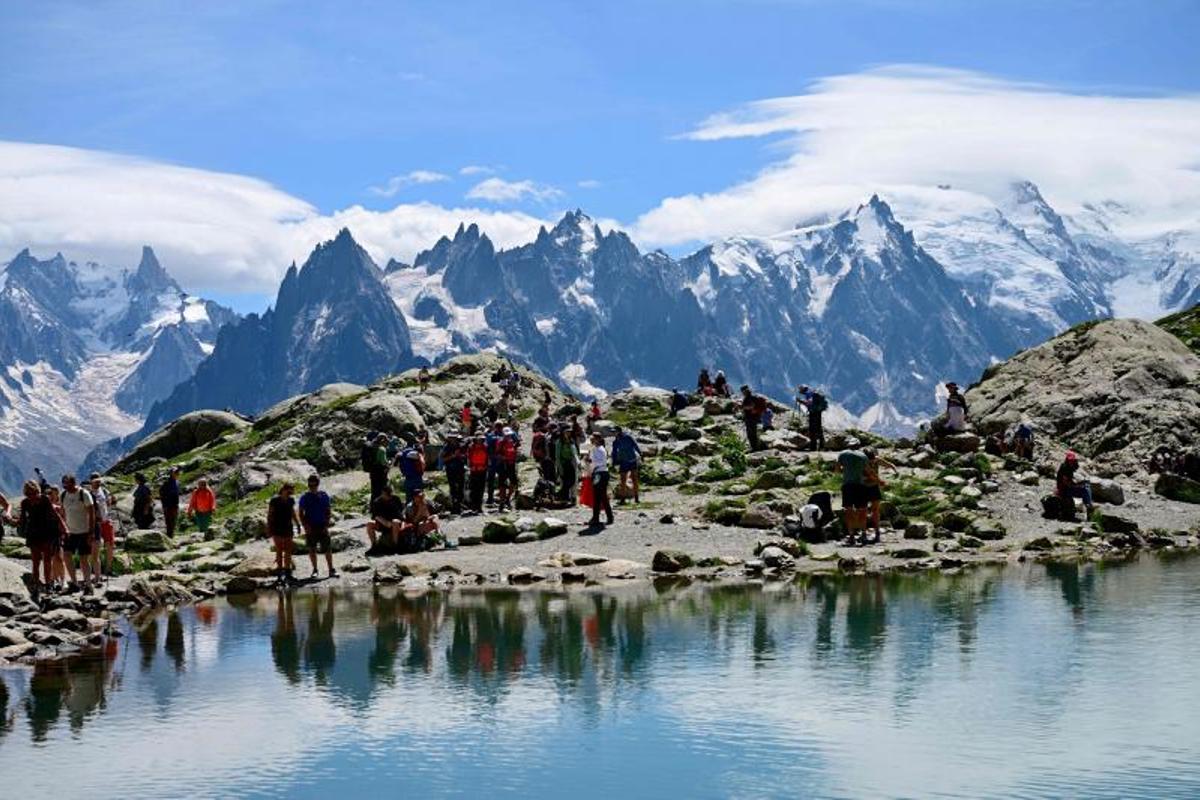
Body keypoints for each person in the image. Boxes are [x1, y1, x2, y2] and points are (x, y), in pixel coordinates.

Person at [11, 481, 61, 594]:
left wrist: (63, 527)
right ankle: (36, 585)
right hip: (33, 533)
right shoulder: (25, 503)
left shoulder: (45, 499)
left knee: (47, 560)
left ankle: (48, 584)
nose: (31, 496)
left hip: (46, 532)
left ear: (37, 491)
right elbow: (23, 519)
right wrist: (13, 521)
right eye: (28, 494)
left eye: (33, 493)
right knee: (35, 561)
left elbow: (54, 514)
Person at [60, 474, 96, 590]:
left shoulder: (83, 494)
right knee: (66, 555)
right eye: (64, 484)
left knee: (83, 558)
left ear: (73, 483)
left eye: (68, 484)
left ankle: (88, 584)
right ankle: (74, 582)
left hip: (84, 531)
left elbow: (92, 514)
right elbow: (63, 513)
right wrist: (63, 528)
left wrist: (91, 532)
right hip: (69, 532)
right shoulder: (63, 495)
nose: (66, 487)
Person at [298, 475, 336, 578]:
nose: (312, 487)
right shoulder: (304, 497)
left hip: (322, 524)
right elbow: (301, 513)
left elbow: (328, 510)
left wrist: (326, 524)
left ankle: (331, 569)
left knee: (327, 548)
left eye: (314, 485)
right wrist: (305, 526)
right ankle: (315, 570)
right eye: (310, 485)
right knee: (312, 548)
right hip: (310, 525)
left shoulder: (324, 496)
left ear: (318, 484)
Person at [266, 483, 301, 583]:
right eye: (289, 491)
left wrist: (298, 524)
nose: (290, 493)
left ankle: (288, 573)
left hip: (288, 528)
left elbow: (292, 512)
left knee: (288, 551)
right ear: (284, 490)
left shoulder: (290, 500)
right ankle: (280, 575)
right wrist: (269, 528)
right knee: (279, 550)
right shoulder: (274, 501)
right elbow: (270, 515)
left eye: (292, 491)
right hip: (277, 528)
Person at [836, 448, 870, 546]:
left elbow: (837, 470)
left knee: (849, 511)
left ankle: (851, 536)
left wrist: (846, 470)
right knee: (863, 511)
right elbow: (867, 471)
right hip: (860, 486)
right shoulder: (863, 456)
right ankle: (863, 534)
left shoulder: (843, 454)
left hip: (847, 486)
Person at [863, 449, 895, 543]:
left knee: (875, 510)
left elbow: (888, 464)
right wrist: (880, 482)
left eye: (872, 459)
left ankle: (877, 532)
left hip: (874, 487)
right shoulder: (862, 462)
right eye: (870, 460)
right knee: (863, 511)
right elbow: (869, 475)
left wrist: (893, 469)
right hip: (864, 487)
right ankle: (864, 533)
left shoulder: (877, 459)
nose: (872, 462)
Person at [89, 474, 115, 577]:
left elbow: (108, 504)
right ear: (91, 482)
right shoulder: (88, 493)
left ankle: (108, 569)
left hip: (106, 521)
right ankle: (96, 570)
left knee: (110, 545)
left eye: (98, 480)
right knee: (96, 548)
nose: (98, 482)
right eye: (95, 481)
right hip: (95, 523)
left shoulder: (104, 491)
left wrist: (112, 501)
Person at [1056, 451, 1094, 519]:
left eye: (1072, 460)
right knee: (1085, 490)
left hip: (1067, 488)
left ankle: (1088, 505)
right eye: (1070, 461)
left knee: (1086, 486)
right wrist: (1078, 485)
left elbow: (1070, 481)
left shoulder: (1071, 467)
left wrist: (1079, 483)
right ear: (1067, 460)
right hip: (1064, 491)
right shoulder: (1064, 468)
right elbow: (1067, 484)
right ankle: (1089, 506)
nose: (1071, 462)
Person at [587, 433, 614, 527]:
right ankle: (596, 517)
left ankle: (609, 517)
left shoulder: (600, 450)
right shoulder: (595, 449)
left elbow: (602, 462)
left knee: (602, 496)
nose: (591, 440)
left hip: (600, 473)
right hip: (597, 473)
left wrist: (591, 462)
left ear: (597, 439)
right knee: (597, 497)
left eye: (593, 438)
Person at [366, 484, 404, 549]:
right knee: (369, 524)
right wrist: (384, 522)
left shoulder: (396, 499)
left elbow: (399, 514)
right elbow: (375, 515)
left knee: (395, 522)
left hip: (394, 522)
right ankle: (374, 545)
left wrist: (391, 522)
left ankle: (395, 545)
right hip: (382, 523)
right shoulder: (377, 502)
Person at [611, 426, 641, 505]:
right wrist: (614, 462)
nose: (614, 433)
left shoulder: (628, 437)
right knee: (623, 480)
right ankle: (623, 498)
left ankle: (636, 497)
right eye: (613, 432)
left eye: (615, 431)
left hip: (632, 460)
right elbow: (614, 452)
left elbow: (635, 445)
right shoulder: (615, 442)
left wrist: (640, 453)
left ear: (619, 431)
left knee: (634, 479)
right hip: (623, 461)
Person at [797, 385, 827, 452]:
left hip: (813, 413)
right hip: (818, 412)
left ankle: (813, 447)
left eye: (800, 391)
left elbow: (809, 403)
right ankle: (822, 446)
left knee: (812, 429)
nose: (800, 392)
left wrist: (801, 401)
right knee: (818, 428)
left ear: (802, 390)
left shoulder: (808, 393)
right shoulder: (812, 392)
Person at [442, 433, 467, 514]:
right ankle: (455, 506)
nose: (453, 439)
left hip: (460, 469)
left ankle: (460, 505)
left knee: (461, 487)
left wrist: (460, 456)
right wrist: (453, 456)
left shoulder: (461, 446)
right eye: (451, 438)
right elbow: (444, 459)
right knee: (453, 488)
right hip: (450, 470)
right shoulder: (446, 447)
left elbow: (466, 456)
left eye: (454, 438)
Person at [496, 427, 519, 512]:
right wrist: (504, 458)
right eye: (507, 435)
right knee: (502, 484)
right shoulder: (500, 442)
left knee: (513, 482)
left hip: (511, 464)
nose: (508, 436)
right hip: (503, 465)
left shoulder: (512, 442)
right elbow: (497, 454)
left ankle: (507, 499)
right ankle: (502, 502)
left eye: (509, 435)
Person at [364, 433, 390, 502]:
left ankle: (373, 505)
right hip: (380, 472)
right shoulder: (381, 449)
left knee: (374, 489)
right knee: (382, 489)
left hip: (372, 471)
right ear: (382, 440)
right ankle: (381, 505)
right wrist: (389, 463)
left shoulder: (371, 447)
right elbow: (384, 462)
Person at [466, 434, 489, 513]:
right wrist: (469, 467)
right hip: (474, 470)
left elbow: (487, 458)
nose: (480, 441)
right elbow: (469, 458)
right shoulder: (471, 447)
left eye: (481, 439)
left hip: (482, 470)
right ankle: (474, 506)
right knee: (474, 489)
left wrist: (487, 466)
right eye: (478, 439)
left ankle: (479, 507)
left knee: (481, 489)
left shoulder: (485, 447)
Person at [556, 424, 578, 502]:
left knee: (572, 481)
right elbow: (557, 456)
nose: (569, 433)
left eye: (569, 432)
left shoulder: (571, 441)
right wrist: (560, 468)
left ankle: (569, 496)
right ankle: (564, 497)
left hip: (571, 463)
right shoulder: (559, 442)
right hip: (563, 464)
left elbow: (575, 452)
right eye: (567, 432)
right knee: (565, 481)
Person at [740, 385, 763, 452]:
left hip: (750, 418)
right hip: (754, 418)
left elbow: (751, 406)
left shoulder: (748, 398)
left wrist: (744, 407)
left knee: (751, 433)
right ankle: (756, 446)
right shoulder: (752, 397)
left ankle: (754, 447)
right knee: (753, 432)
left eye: (742, 391)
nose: (742, 393)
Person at [160, 467, 181, 538]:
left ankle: (171, 535)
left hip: (175, 505)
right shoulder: (166, 483)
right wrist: (164, 505)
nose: (177, 474)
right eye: (175, 473)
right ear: (171, 474)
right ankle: (169, 536)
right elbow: (162, 493)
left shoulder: (177, 482)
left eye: (178, 473)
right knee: (169, 521)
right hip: (168, 505)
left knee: (174, 521)